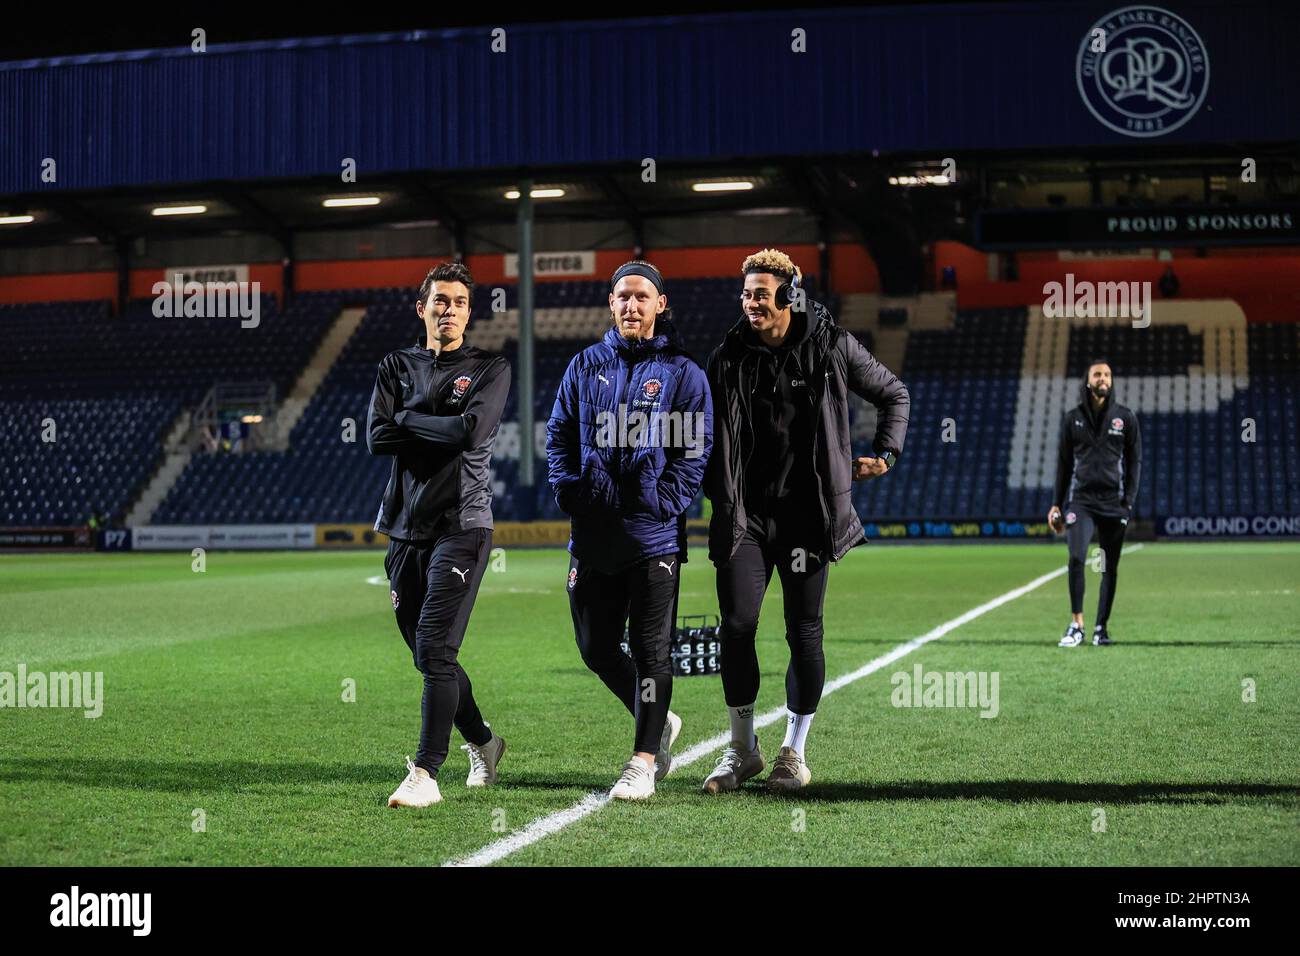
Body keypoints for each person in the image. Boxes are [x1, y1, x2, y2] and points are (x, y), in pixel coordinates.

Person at [702, 248, 910, 793]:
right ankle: (743, 749)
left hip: (807, 518)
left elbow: (894, 394)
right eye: (745, 294)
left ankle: (793, 751)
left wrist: (885, 455)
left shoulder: (833, 345)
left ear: (790, 294)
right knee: (738, 626)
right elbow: (703, 432)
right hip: (744, 517)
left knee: (803, 632)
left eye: (761, 293)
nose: (751, 303)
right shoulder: (727, 356)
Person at [546, 260, 712, 801]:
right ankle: (659, 720)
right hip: (593, 536)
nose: (631, 305)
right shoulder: (584, 365)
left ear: (660, 304)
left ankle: (642, 761)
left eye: (642, 296)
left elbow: (693, 453)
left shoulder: (684, 374)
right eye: (622, 296)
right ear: (611, 303)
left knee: (650, 651)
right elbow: (560, 435)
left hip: (653, 539)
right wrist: (571, 490)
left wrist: (663, 503)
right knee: (595, 647)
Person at [367, 261, 512, 807]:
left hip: (462, 524)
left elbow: (471, 433)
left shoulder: (490, 368)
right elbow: (376, 438)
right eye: (439, 301)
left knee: (434, 647)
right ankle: (483, 743)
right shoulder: (394, 365)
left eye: (458, 302)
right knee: (430, 656)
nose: (448, 309)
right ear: (422, 307)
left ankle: (426, 773)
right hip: (403, 529)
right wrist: (425, 427)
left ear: (469, 312)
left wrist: (406, 420)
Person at [1049, 359, 1141, 647]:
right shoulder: (1072, 418)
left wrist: (1128, 502)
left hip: (1114, 503)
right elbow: (1064, 464)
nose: (1104, 378)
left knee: (1107, 567)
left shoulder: (1125, 418)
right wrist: (1056, 504)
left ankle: (1101, 628)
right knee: (1077, 558)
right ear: (1088, 381)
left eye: (1108, 375)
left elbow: (1135, 461)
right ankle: (1077, 624)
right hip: (1082, 502)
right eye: (1098, 374)